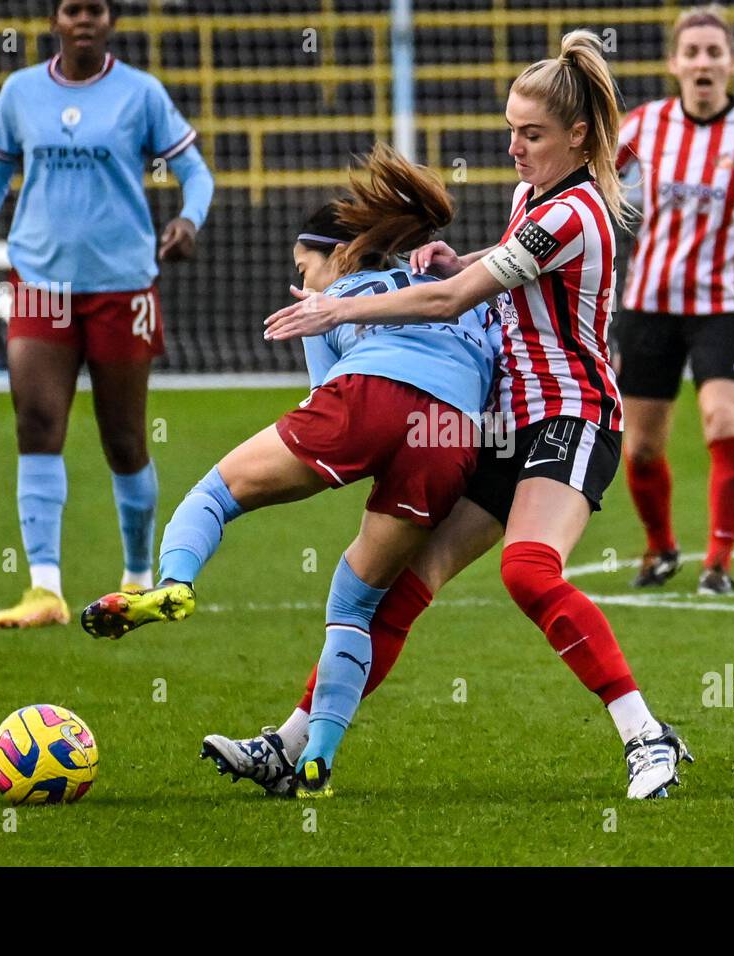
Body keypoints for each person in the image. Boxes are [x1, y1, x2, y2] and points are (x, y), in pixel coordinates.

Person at [265, 30, 693, 801]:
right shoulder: (535, 195)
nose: (514, 147)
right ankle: (291, 743)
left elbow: (451, 302)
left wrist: (339, 310)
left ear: (578, 136)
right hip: (509, 420)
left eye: (530, 134)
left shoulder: (574, 212)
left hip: (573, 415)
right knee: (402, 587)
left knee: (528, 571)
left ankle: (646, 735)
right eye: (509, 130)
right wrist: (460, 258)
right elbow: (488, 279)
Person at [80, 144, 501, 797]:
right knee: (357, 603)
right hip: (454, 436)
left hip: (369, 394)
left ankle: (174, 583)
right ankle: (315, 764)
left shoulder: (332, 302)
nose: (302, 283)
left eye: (303, 268)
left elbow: (327, 400)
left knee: (216, 495)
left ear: (337, 257)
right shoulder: (460, 292)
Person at [0, 0, 214, 627]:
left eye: (96, 9)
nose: (85, 20)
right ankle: (45, 589)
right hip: (39, 280)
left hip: (122, 286)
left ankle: (138, 579)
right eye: (73, 9)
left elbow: (194, 173)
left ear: (111, 21)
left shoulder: (140, 94)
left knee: (122, 438)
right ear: (55, 21)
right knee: (37, 423)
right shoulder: (19, 94)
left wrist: (186, 219)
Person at [612, 6, 734, 593]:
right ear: (674, 63)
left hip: (725, 302)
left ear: (732, 63)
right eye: (692, 52)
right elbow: (590, 181)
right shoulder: (643, 126)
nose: (703, 61)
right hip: (649, 302)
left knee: (722, 420)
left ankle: (718, 563)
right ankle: (660, 549)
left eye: (714, 52)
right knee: (642, 447)